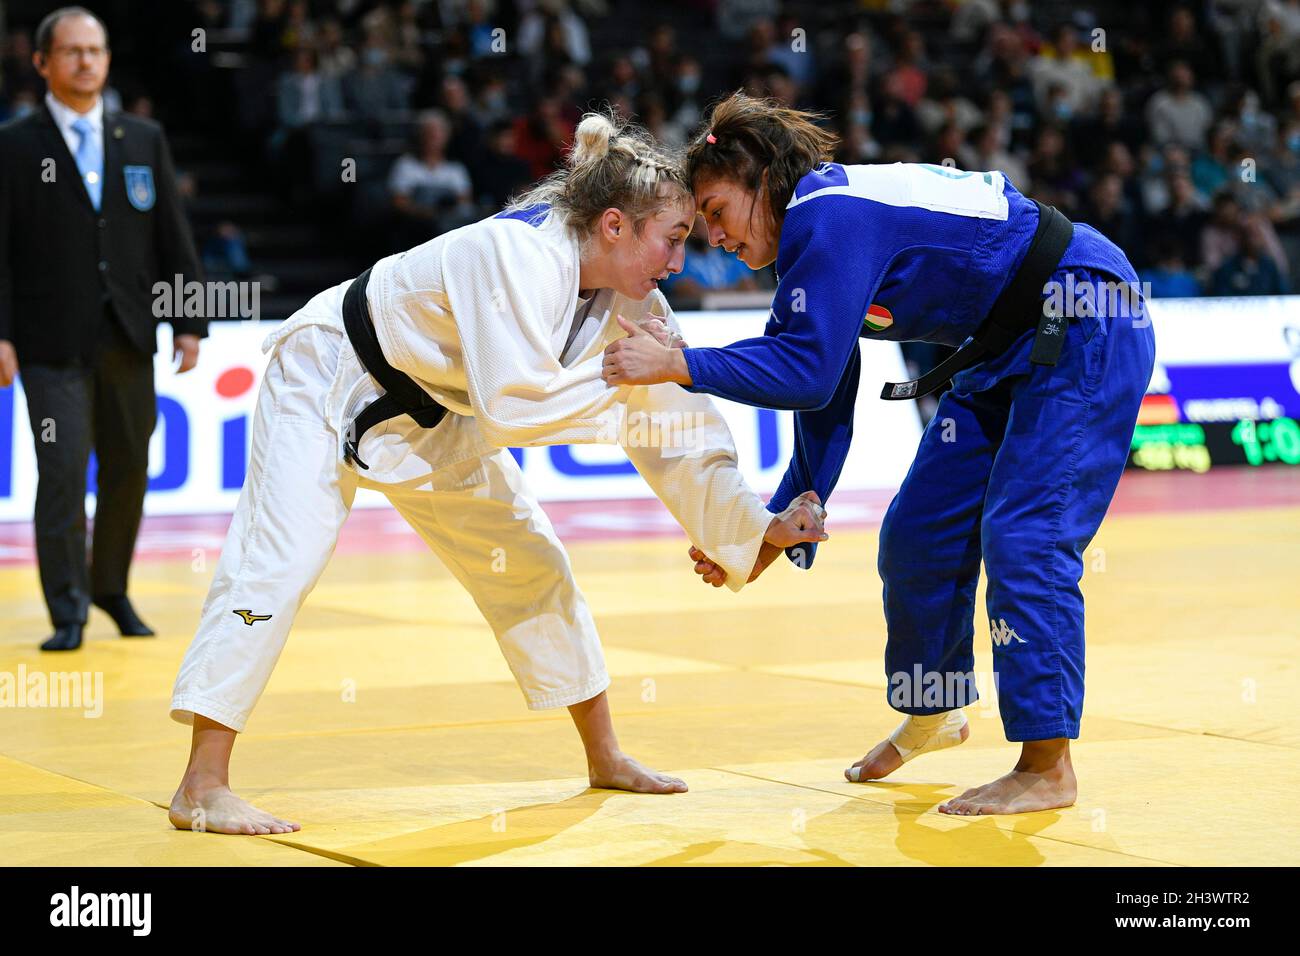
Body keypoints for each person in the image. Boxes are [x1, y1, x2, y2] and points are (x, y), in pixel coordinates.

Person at [168, 112, 827, 836]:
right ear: (614, 225)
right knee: (279, 563)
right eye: (672, 240)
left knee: (531, 563)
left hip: (440, 416)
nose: (679, 262)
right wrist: (625, 381)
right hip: (331, 380)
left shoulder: (635, 301)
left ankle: (604, 754)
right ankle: (202, 784)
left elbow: (675, 428)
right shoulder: (513, 253)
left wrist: (747, 528)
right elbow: (514, 407)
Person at [602, 93, 1156, 816]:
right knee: (916, 537)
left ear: (763, 177)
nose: (713, 237)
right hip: (1003, 348)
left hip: (1084, 314)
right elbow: (823, 392)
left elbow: (801, 369)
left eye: (715, 210)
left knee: (1025, 535)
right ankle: (937, 710)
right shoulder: (812, 236)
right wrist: (778, 526)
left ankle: (1048, 766)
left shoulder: (826, 216)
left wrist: (681, 364)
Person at [0, 7, 205, 652]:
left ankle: (110, 588)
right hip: (48, 340)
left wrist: (189, 319)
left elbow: (173, 234)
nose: (86, 61)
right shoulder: (14, 144)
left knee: (129, 468)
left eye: (95, 50)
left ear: (108, 59)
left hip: (127, 334)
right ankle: (68, 609)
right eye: (71, 52)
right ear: (42, 63)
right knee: (62, 471)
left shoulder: (141, 138)